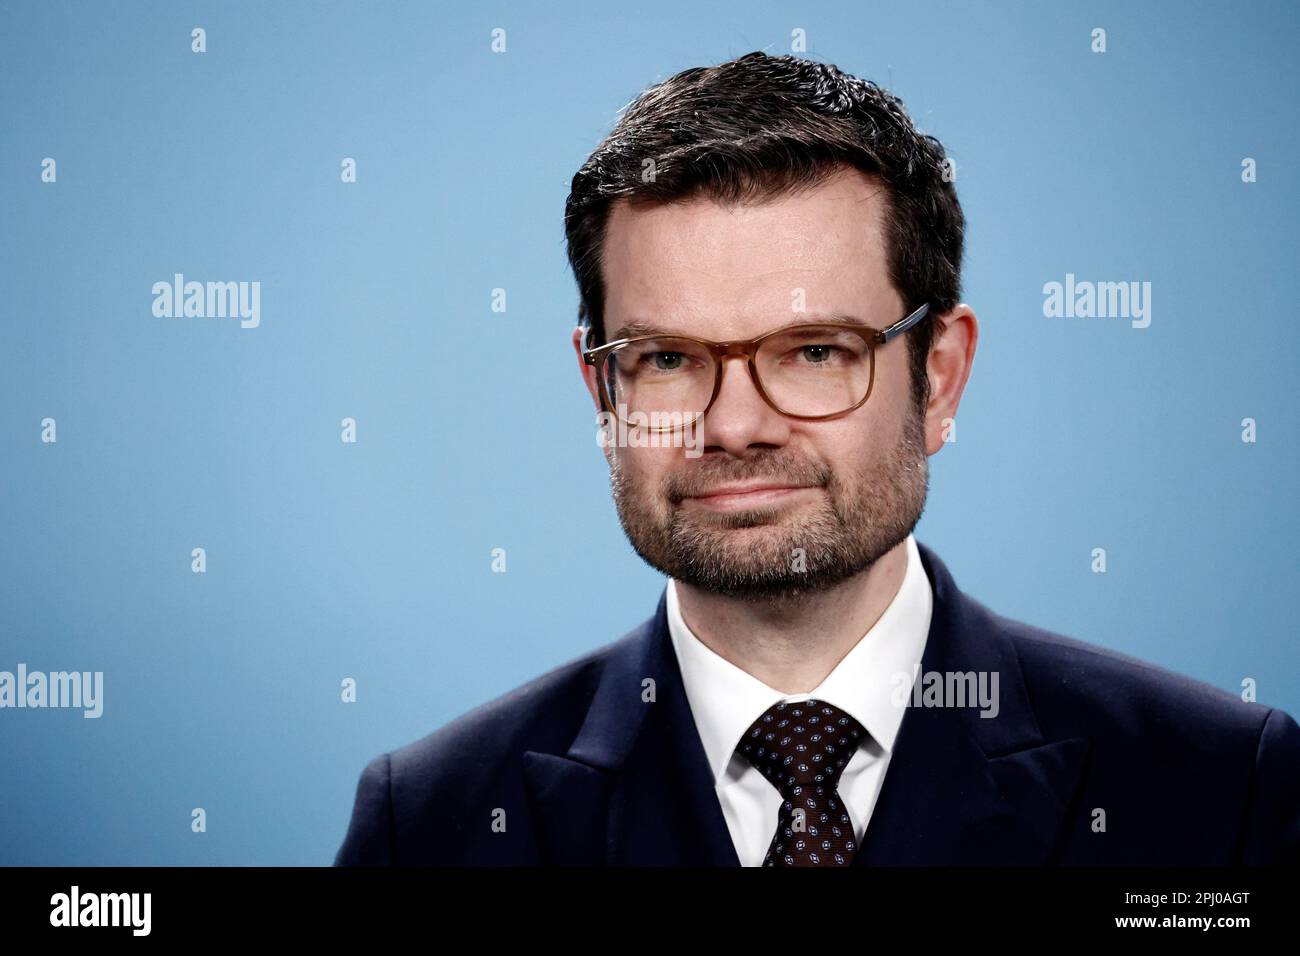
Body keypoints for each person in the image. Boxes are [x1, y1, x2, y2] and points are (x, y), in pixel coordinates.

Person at [334, 51, 1300, 866]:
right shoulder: (428, 826)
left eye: (813, 353)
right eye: (667, 359)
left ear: (940, 378)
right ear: (603, 392)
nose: (739, 425)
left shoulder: (1222, 792)